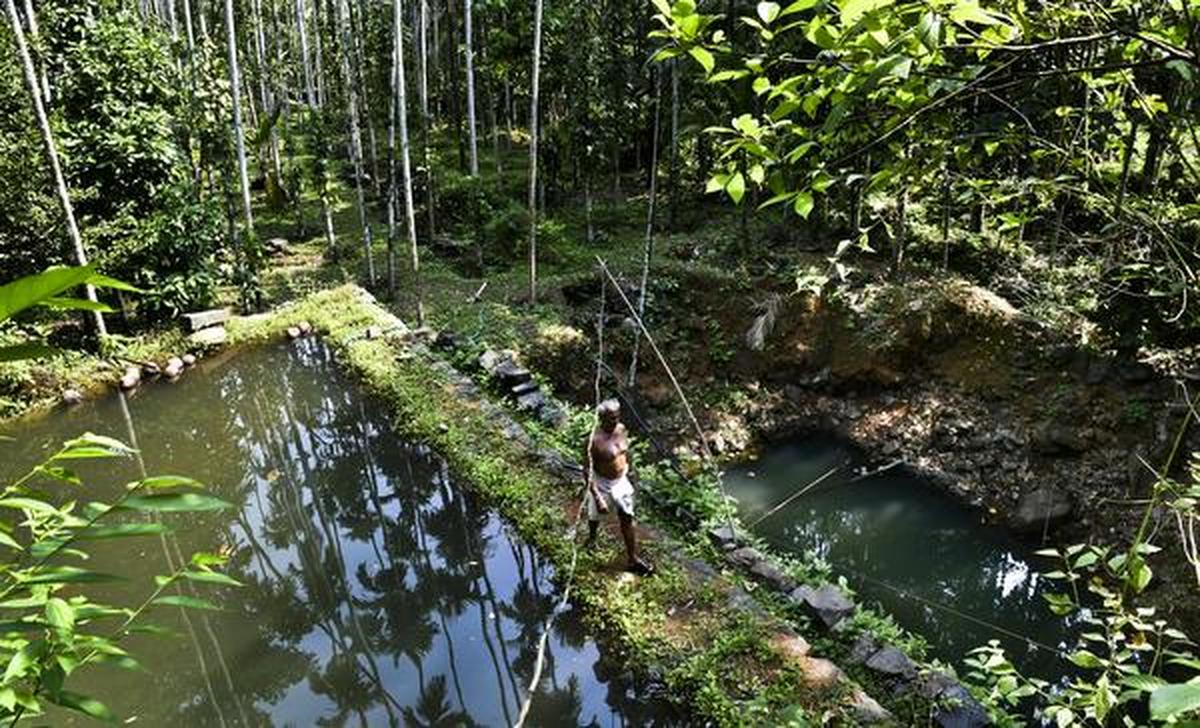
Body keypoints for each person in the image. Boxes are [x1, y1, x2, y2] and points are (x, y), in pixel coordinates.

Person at [583, 399, 653, 575]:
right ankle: (592, 537)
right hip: (602, 482)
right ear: (601, 418)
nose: (614, 421)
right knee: (595, 514)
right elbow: (586, 469)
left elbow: (626, 453)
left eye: (616, 417)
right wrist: (598, 497)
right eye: (610, 419)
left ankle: (632, 558)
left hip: (621, 480)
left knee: (627, 517)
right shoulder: (594, 440)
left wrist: (631, 473)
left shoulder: (621, 429)